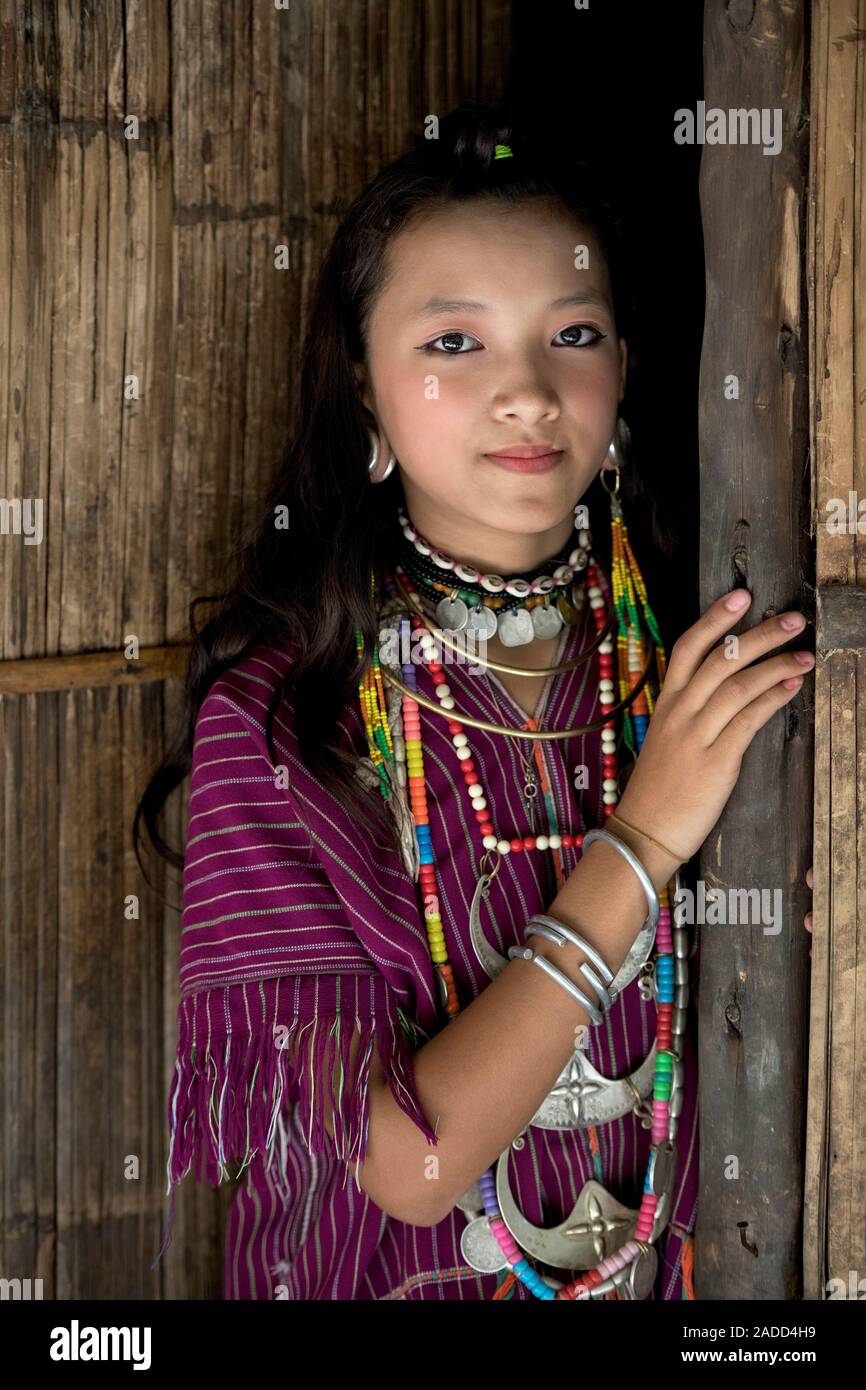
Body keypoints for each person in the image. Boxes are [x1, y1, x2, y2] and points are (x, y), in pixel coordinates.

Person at [135, 102, 815, 1301]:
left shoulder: (696, 650)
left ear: (624, 370)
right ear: (363, 394)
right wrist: (645, 841)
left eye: (572, 333)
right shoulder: (287, 719)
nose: (525, 391)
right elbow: (413, 1162)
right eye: (454, 343)